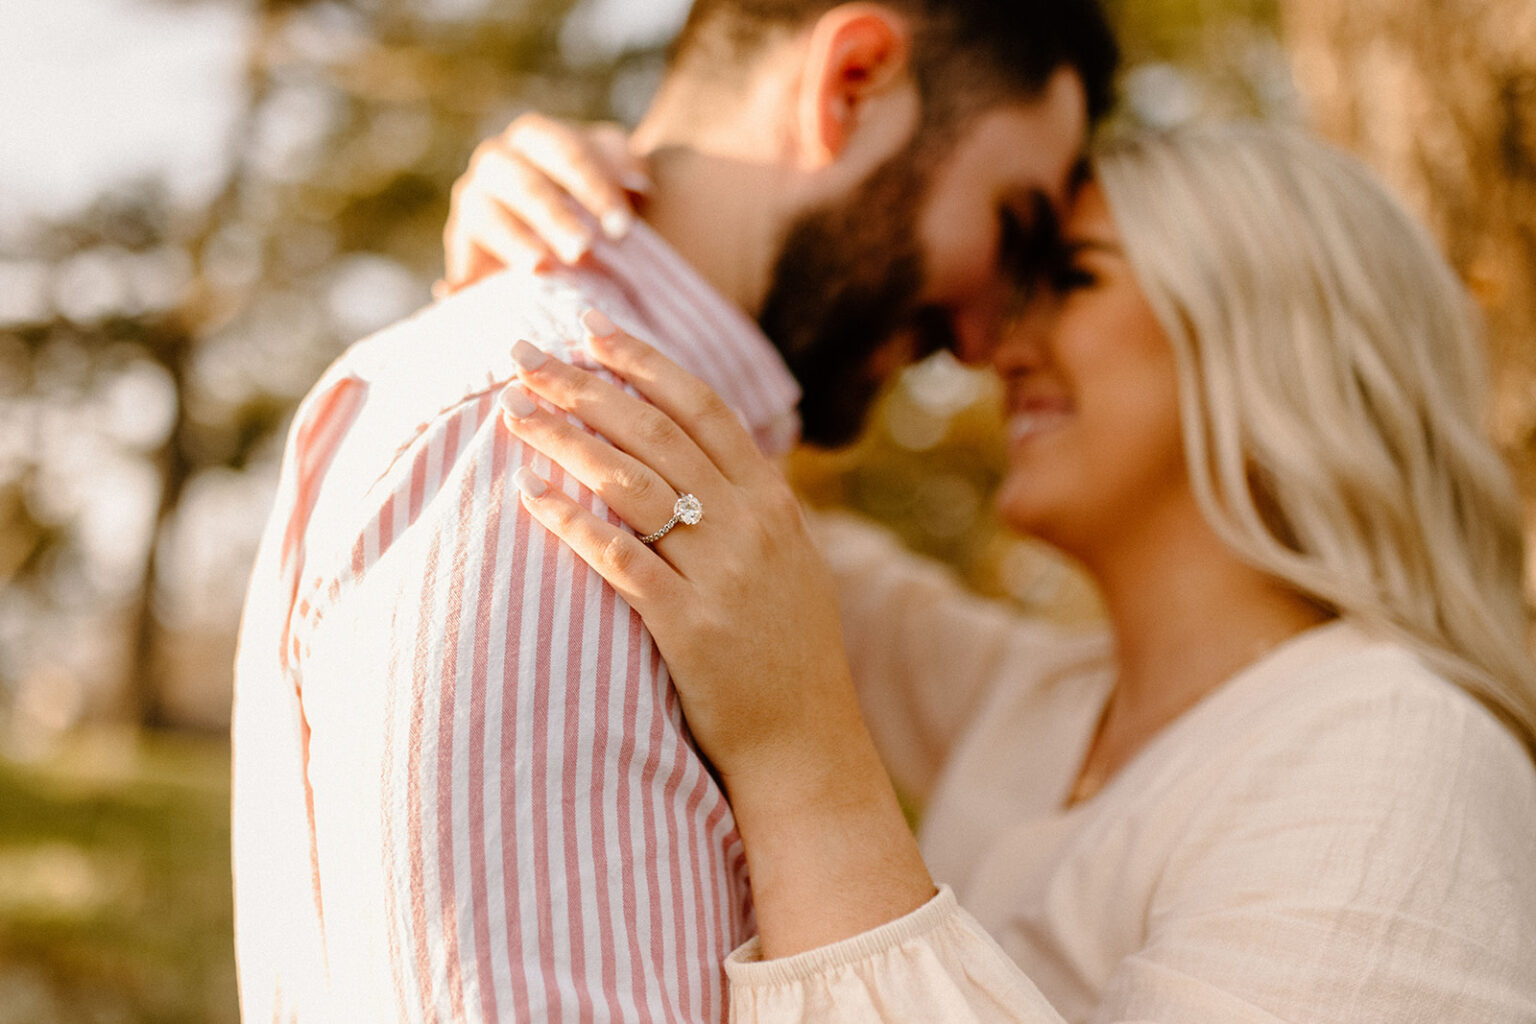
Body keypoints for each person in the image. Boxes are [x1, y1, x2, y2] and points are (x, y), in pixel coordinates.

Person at [471, 121, 1536, 1020]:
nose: (998, 347)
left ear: (1274, 330)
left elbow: (777, 605)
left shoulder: (1400, 747)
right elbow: (731, 528)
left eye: (1073, 280)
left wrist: (803, 756)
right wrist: (568, 255)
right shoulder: (1034, 700)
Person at [230, 1, 1118, 1020]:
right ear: (854, 82)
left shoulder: (666, 472)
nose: (984, 339)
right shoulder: (558, 434)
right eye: (1012, 225)